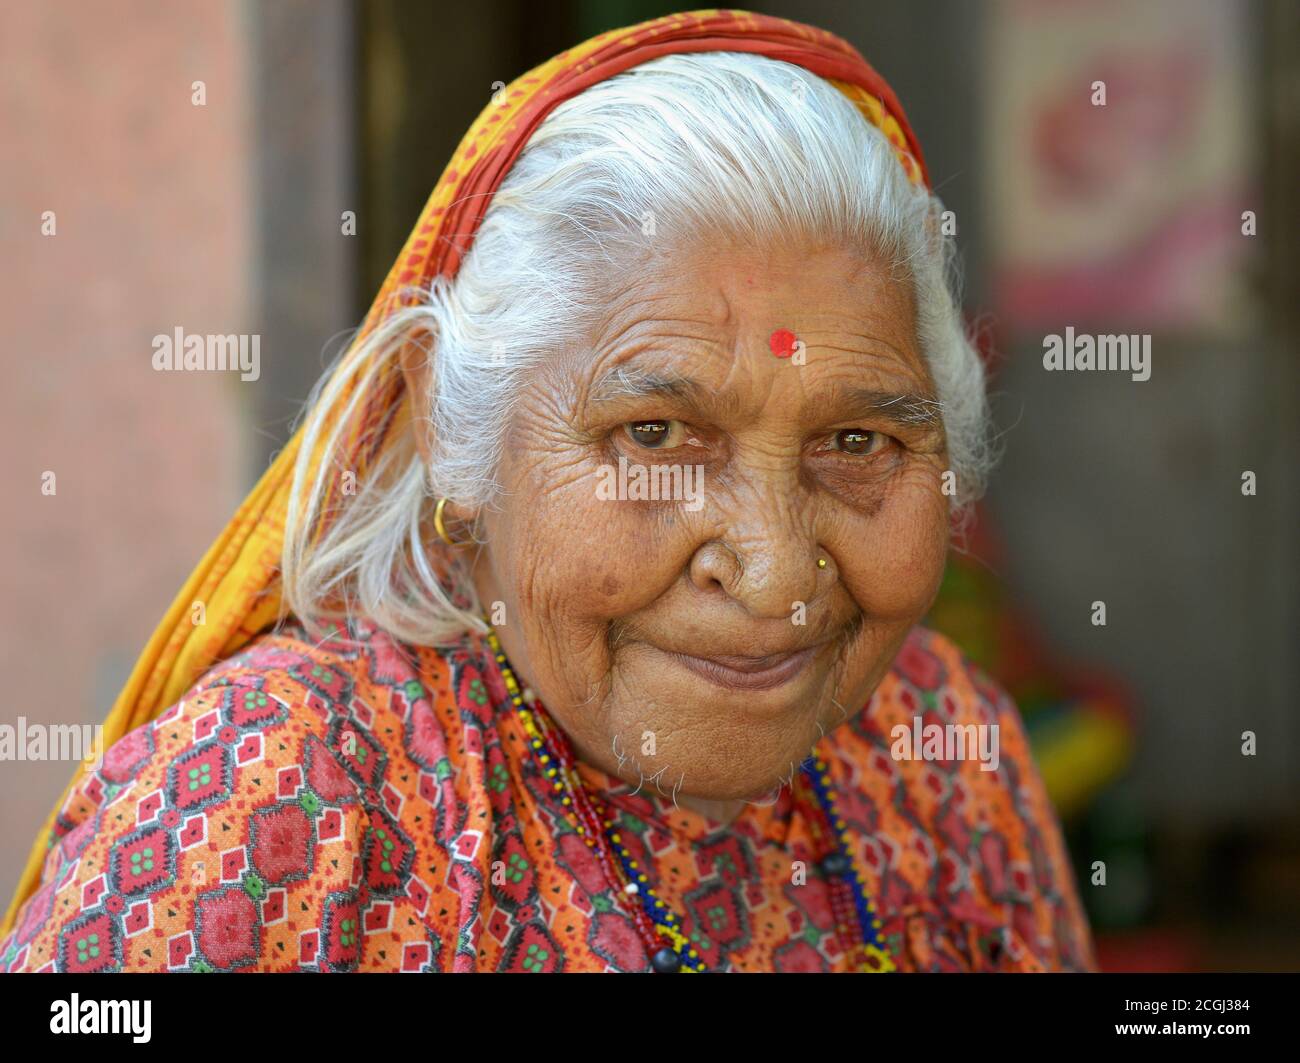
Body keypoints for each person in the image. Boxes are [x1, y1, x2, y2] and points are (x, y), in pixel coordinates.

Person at [1, 10, 1095, 973]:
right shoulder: (284, 796)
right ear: (452, 428)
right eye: (654, 433)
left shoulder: (943, 746)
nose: (772, 573)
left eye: (856, 440)